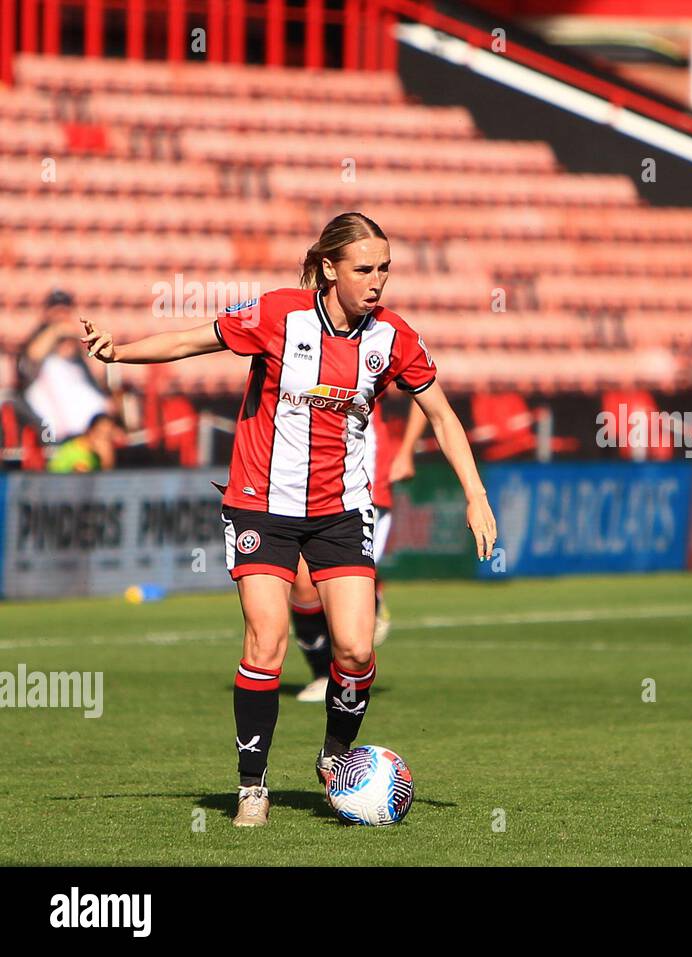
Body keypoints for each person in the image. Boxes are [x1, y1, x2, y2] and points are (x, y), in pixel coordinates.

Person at [81, 212, 497, 827]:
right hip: (259, 501)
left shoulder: (394, 338)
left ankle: (336, 760)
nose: (377, 281)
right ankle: (253, 787)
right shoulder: (280, 314)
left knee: (354, 650)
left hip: (341, 509)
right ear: (329, 269)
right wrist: (120, 351)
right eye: (364, 269)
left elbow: (440, 413)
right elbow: (193, 339)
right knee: (266, 640)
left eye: (384, 268)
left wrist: (476, 494)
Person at [292, 396, 398, 703]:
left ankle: (342, 677)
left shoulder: (370, 349)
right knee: (302, 581)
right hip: (306, 484)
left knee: (340, 593)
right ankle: (322, 675)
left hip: (364, 485)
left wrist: (404, 452)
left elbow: (422, 395)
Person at [18, 289, 114, 443]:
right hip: (50, 410)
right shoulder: (40, 336)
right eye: (57, 310)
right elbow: (31, 358)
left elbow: (99, 374)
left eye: (65, 310)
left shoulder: (76, 343)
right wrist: (58, 330)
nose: (61, 315)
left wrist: (80, 343)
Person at [45, 412, 123, 473]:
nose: (104, 440)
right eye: (101, 434)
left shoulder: (90, 452)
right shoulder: (80, 457)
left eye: (108, 435)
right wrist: (107, 460)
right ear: (90, 432)